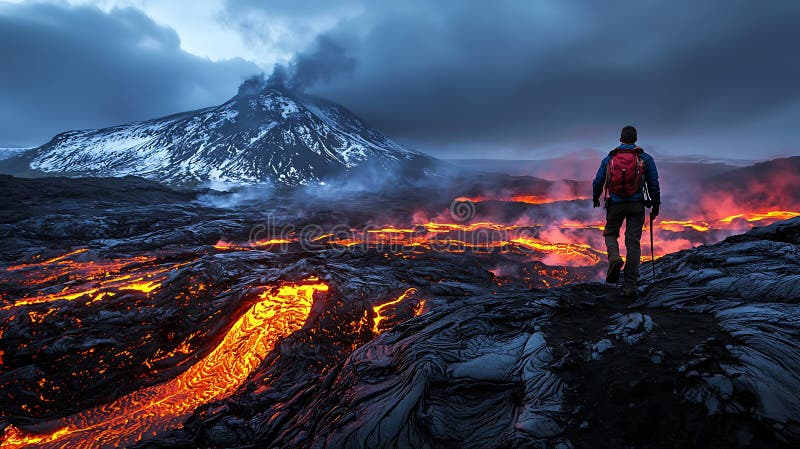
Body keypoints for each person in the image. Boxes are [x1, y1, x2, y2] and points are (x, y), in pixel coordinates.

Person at [592, 125, 660, 297]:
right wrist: (655, 205)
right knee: (633, 243)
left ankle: (614, 258)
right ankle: (630, 286)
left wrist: (595, 198)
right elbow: (653, 184)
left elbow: (598, 181)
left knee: (610, 234)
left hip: (615, 204)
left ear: (620, 139)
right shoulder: (645, 158)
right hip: (637, 205)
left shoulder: (610, 159)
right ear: (636, 139)